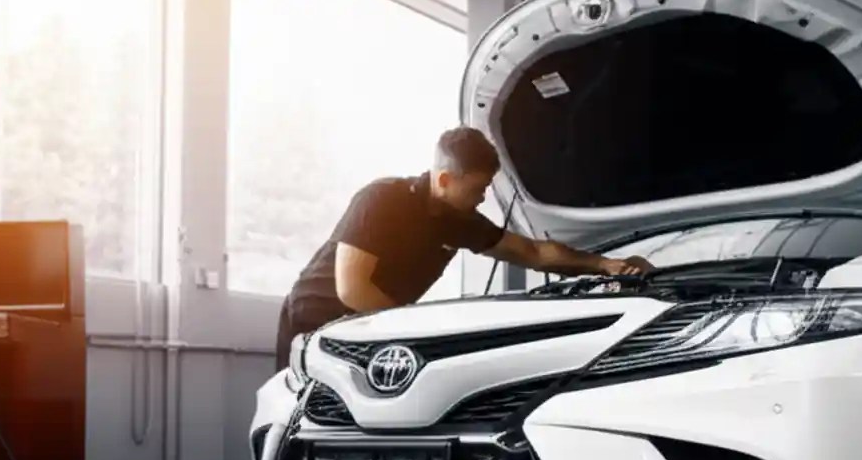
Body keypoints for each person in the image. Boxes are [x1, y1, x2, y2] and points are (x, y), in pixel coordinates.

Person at [274, 126, 654, 371]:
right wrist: (417, 331)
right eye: (476, 188)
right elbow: (352, 289)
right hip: (315, 317)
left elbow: (534, 253)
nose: (483, 196)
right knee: (307, 420)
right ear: (443, 178)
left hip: (371, 324)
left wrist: (606, 265)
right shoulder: (381, 200)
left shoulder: (459, 221)